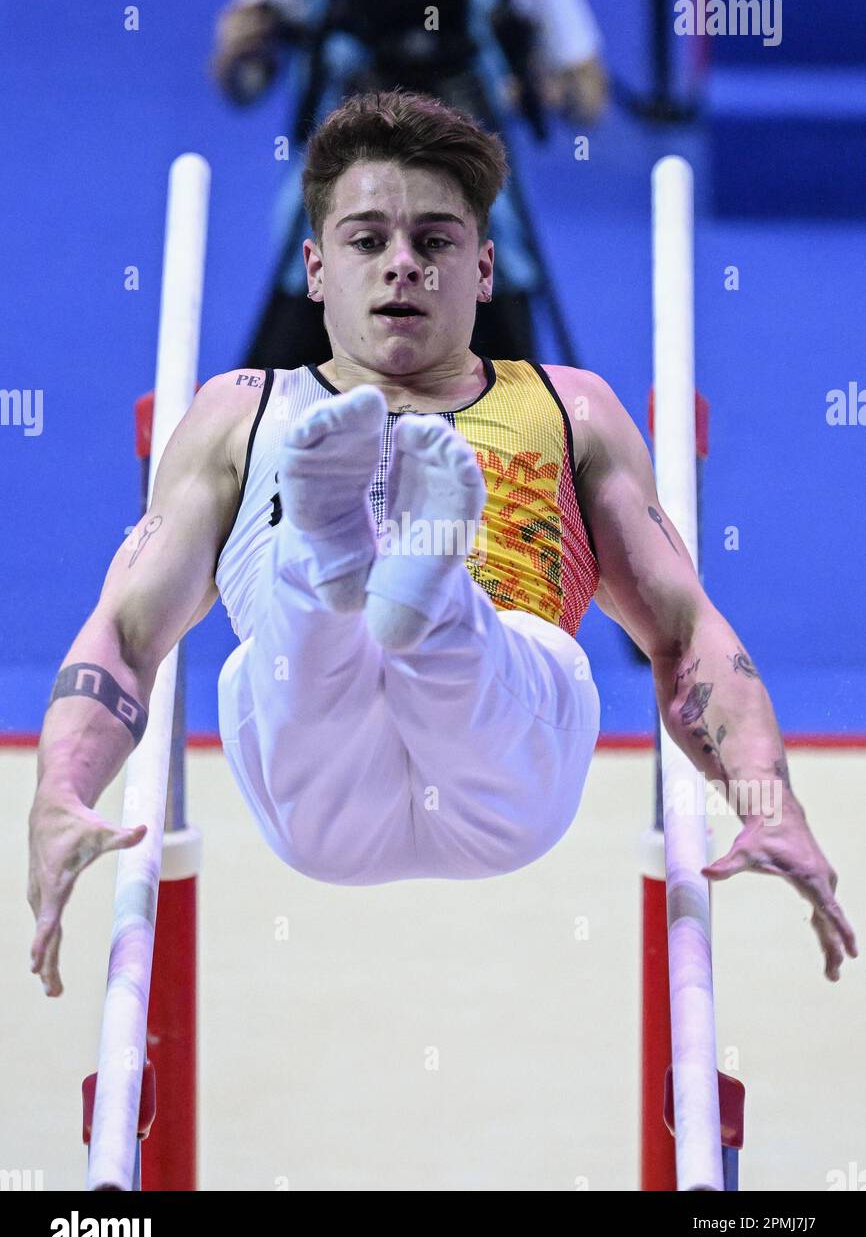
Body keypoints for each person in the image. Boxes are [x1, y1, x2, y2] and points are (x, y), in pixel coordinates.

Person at [29, 90, 856, 998]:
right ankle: (352, 567)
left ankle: (407, 584)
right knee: (289, 657)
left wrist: (769, 805)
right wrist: (60, 797)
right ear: (313, 267)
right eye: (366, 240)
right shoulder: (240, 410)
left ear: (485, 269)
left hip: (503, 779)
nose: (402, 266)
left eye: (434, 241)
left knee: (517, 656)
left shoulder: (569, 406)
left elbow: (684, 632)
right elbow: (127, 632)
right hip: (319, 784)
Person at [210, 0, 608, 366]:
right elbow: (244, 86)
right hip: (330, 244)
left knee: (521, 432)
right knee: (275, 427)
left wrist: (545, 84)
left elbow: (588, 99)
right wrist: (242, 49)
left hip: (481, 248)